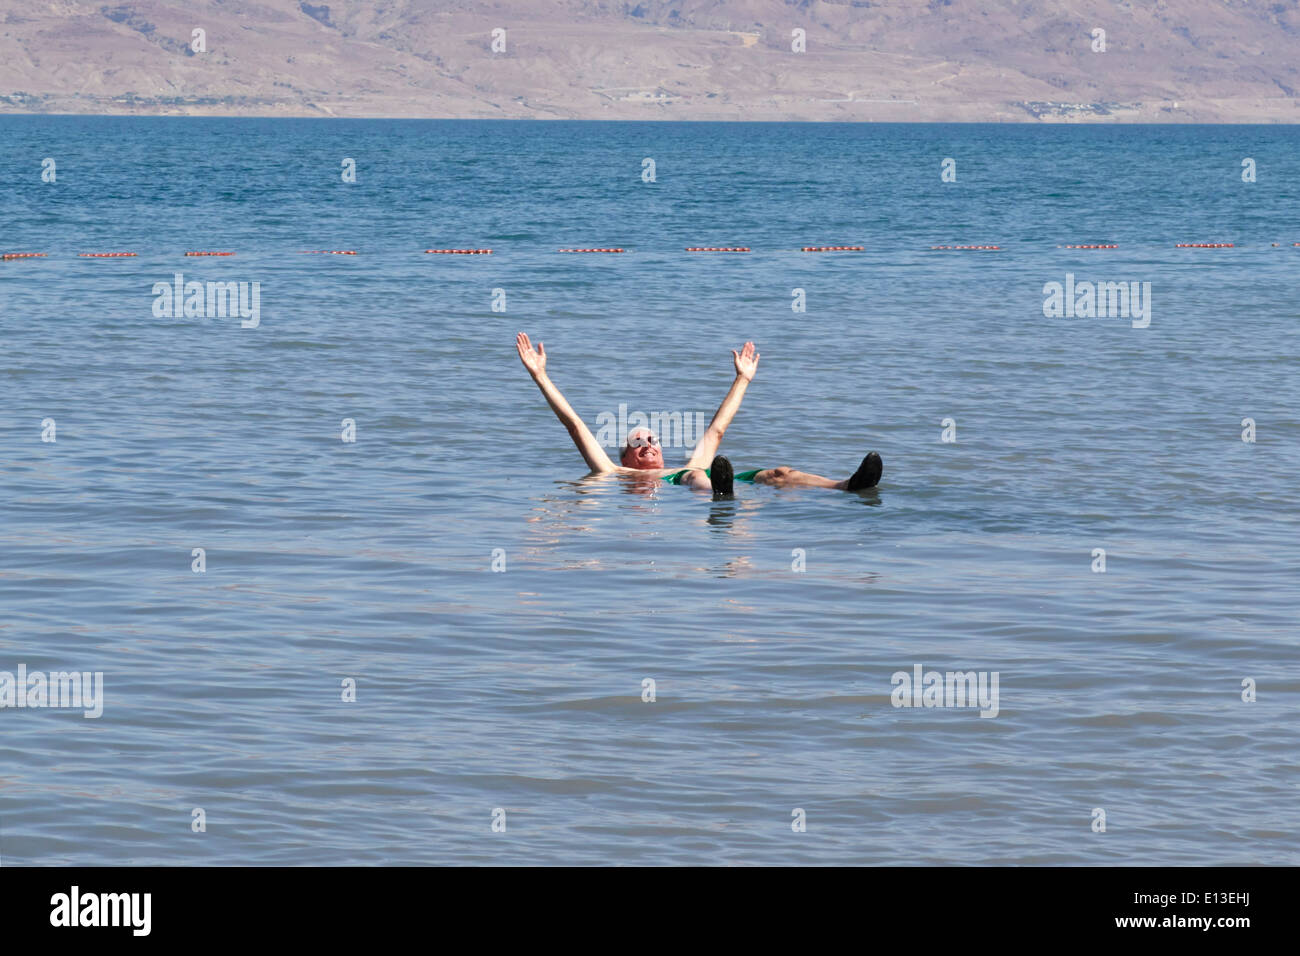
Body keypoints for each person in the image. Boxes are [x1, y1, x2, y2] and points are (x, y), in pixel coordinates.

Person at [515, 332, 883, 496]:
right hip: (703, 487)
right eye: (637, 442)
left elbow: (718, 429)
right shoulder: (614, 473)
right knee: (695, 477)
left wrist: (742, 379)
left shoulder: (689, 463)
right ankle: (719, 493)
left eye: (651, 440)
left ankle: (848, 486)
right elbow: (576, 426)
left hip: (720, 481)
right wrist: (540, 375)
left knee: (779, 472)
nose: (646, 444)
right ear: (625, 456)